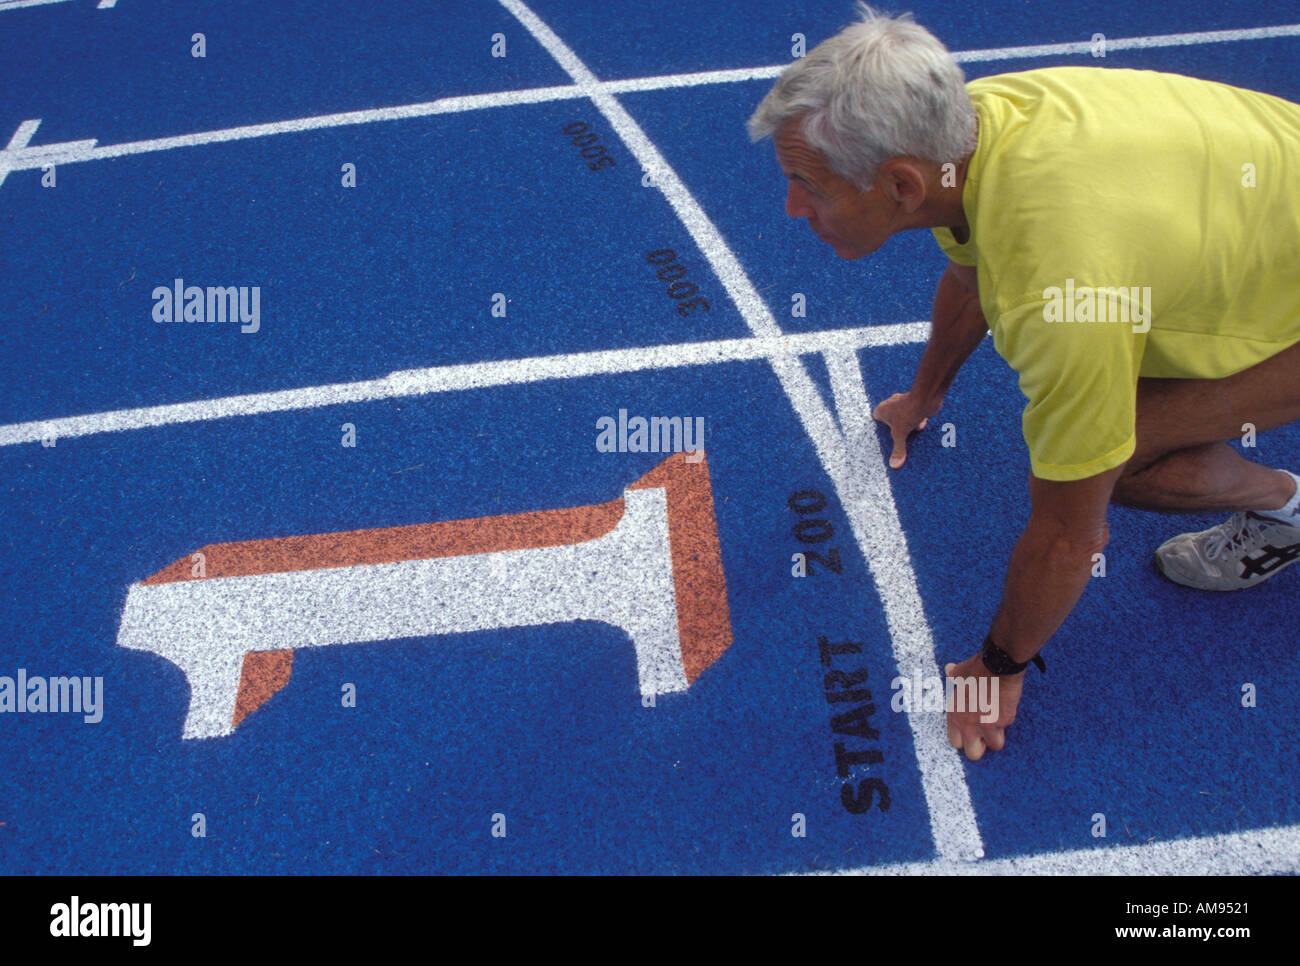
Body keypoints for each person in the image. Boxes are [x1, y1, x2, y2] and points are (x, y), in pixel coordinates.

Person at [748, 3, 1300, 760]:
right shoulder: (981, 128)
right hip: (1266, 197)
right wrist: (925, 394)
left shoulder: (1059, 291)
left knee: (1118, 457)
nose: (792, 206)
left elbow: (1070, 538)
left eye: (808, 184)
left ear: (902, 186)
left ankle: (1287, 506)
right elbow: (971, 270)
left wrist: (995, 669)